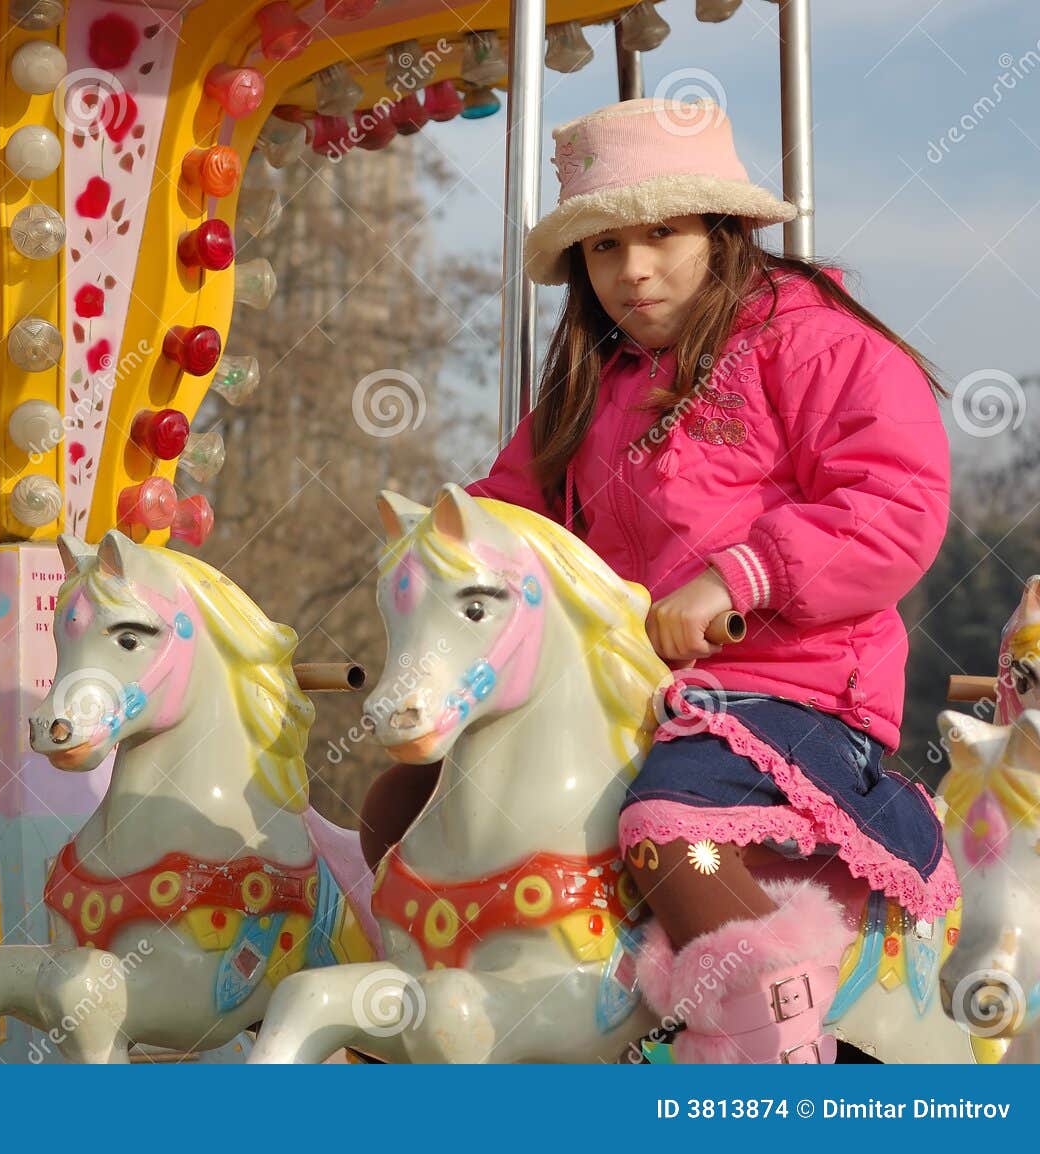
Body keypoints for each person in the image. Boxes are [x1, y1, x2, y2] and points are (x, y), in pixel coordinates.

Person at [359, 98, 959, 1063]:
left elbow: (893, 502)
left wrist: (738, 579)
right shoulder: (594, 383)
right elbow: (510, 520)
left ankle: (780, 1041)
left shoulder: (819, 346)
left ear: (724, 233)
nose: (631, 271)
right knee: (401, 804)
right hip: (630, 687)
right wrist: (434, 572)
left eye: (661, 236)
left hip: (788, 690)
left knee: (670, 822)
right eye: (603, 248)